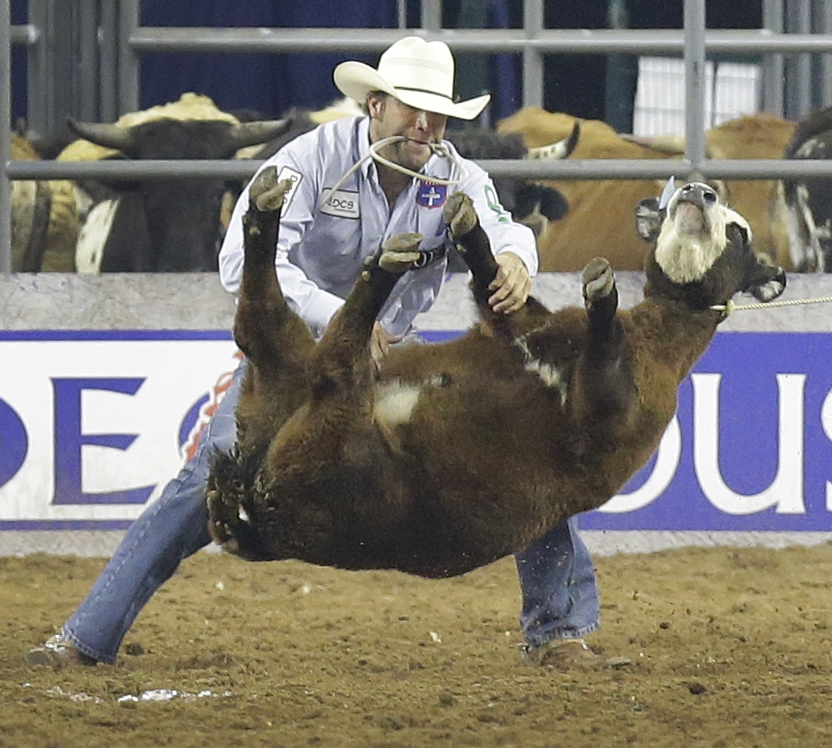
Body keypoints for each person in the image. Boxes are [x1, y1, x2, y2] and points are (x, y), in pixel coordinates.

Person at [27, 36, 601, 669]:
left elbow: (503, 224)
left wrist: (519, 256)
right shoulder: (310, 158)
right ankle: (86, 637)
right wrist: (342, 320)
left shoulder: (454, 173)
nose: (425, 124)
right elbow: (244, 262)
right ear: (375, 105)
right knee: (209, 476)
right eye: (412, 107)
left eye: (438, 112)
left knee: (515, 445)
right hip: (298, 360)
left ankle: (560, 631)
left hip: (389, 359)